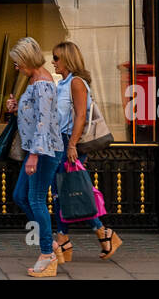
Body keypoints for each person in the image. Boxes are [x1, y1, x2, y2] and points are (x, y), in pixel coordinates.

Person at [50, 40, 121, 263]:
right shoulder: (61, 84)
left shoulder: (77, 83)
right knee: (63, 191)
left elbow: (81, 116)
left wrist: (72, 145)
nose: (53, 62)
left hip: (70, 143)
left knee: (69, 190)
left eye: (56, 58)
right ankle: (100, 233)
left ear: (67, 59)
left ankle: (65, 239)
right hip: (59, 143)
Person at [4, 37, 63, 277]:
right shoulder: (34, 81)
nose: (16, 67)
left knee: (36, 199)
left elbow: (44, 122)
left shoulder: (43, 84)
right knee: (20, 196)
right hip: (38, 149)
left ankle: (48, 254)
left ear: (27, 59)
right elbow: (37, 113)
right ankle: (51, 243)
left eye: (17, 62)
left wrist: (34, 156)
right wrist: (18, 108)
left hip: (44, 151)